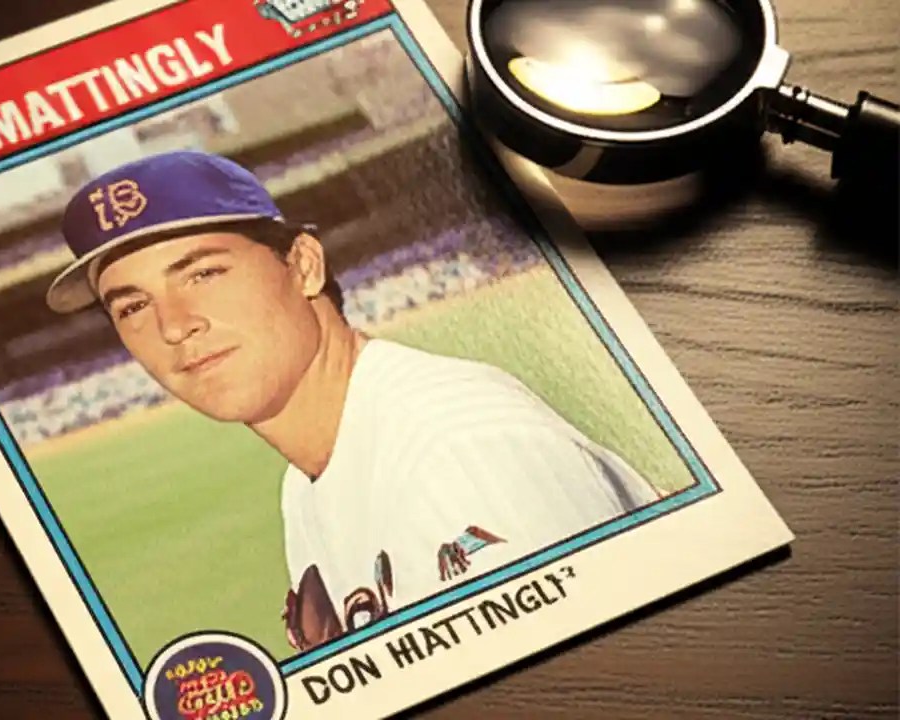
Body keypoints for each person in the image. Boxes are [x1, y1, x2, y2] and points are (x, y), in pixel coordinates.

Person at [45, 149, 664, 653]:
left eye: (203, 273)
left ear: (304, 266)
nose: (175, 325)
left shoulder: (460, 453)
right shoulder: (307, 483)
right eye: (131, 306)